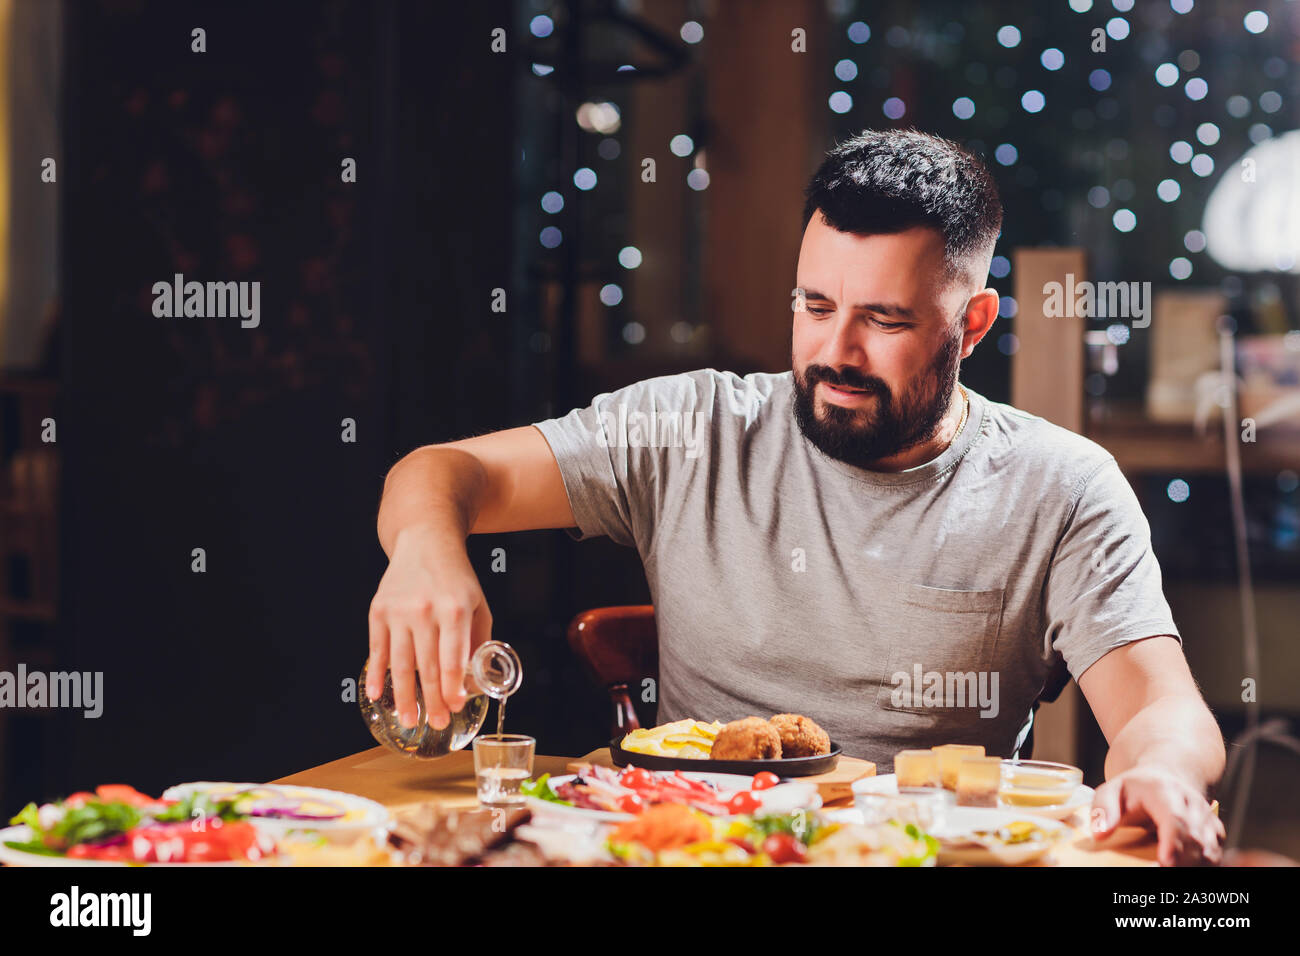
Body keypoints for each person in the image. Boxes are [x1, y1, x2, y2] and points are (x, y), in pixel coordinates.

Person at [367, 128, 1225, 865]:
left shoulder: (1060, 486)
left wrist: (1162, 772)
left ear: (972, 324)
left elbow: (1160, 708)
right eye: (816, 306)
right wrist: (425, 550)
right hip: (699, 846)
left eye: (885, 321)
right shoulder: (690, 427)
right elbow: (439, 474)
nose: (836, 352)